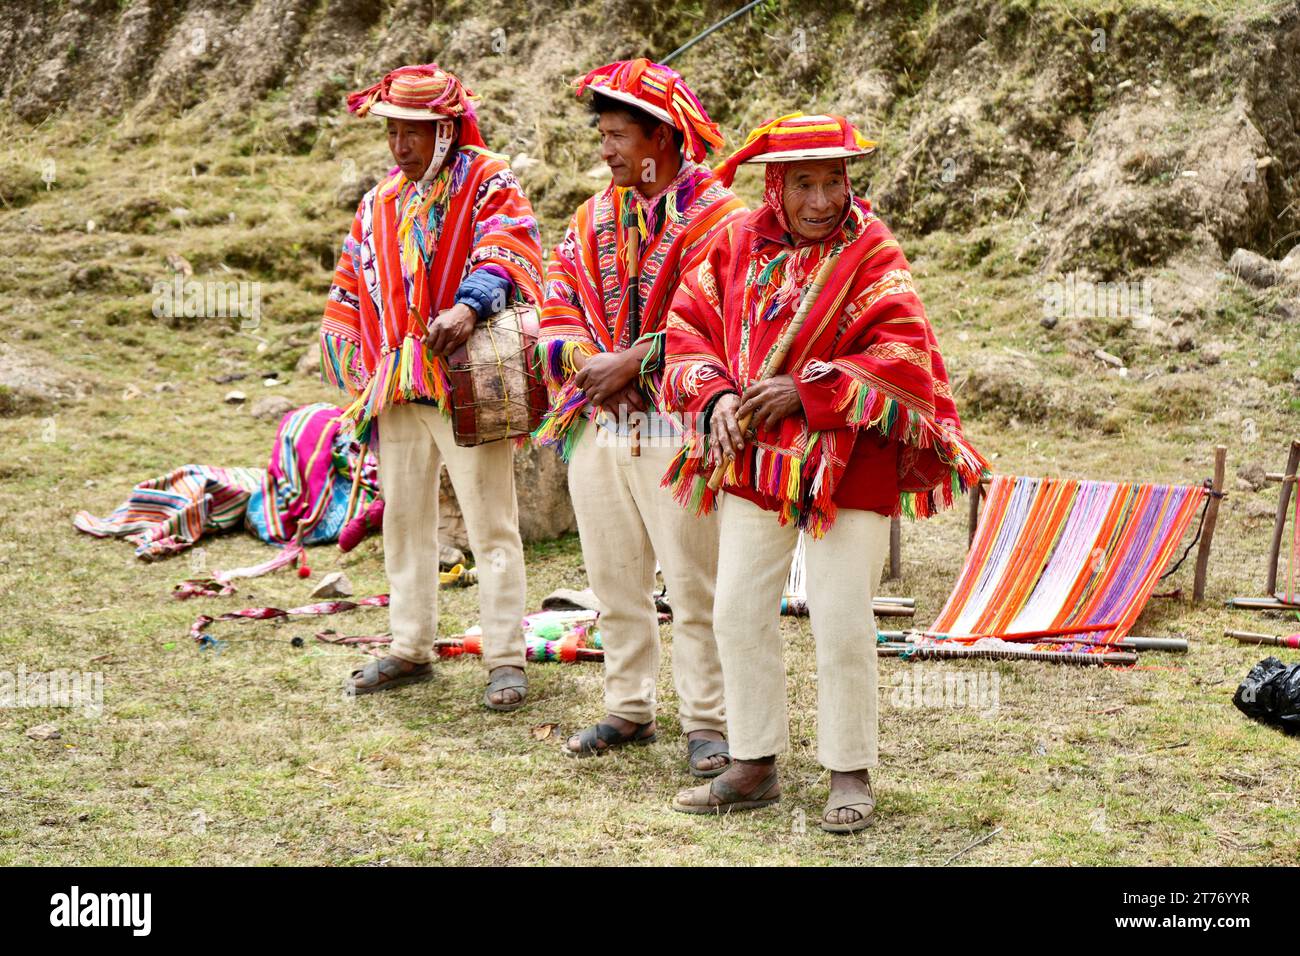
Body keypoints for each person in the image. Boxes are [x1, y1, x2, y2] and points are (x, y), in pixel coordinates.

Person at [662, 113, 987, 831]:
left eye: (833, 181)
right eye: (803, 183)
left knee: (842, 619)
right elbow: (689, 328)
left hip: (852, 459)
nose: (820, 200)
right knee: (739, 610)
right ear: (775, 187)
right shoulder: (737, 243)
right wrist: (715, 392)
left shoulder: (873, 252)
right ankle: (753, 763)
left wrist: (809, 394)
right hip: (758, 459)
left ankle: (849, 771)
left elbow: (904, 357)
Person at [534, 59, 746, 776]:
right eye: (603, 134)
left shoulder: (723, 220)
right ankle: (628, 707)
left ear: (662, 136)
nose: (605, 149)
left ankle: (710, 723)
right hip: (601, 419)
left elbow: (724, 318)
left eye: (618, 135)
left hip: (679, 425)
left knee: (694, 582)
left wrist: (639, 362)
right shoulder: (592, 217)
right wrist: (598, 368)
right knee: (614, 576)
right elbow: (557, 297)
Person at [319, 64, 544, 711]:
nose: (400, 146)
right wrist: (355, 358)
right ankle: (410, 646)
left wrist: (471, 303)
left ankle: (505, 659)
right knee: (405, 519)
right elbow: (353, 283)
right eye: (392, 131)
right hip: (397, 385)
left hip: (465, 382)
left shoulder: (485, 178)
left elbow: (511, 244)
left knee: (491, 524)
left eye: (413, 132)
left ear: (445, 130)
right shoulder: (378, 203)